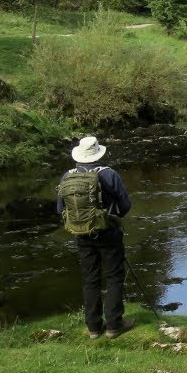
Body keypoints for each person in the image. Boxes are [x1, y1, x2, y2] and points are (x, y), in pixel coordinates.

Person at [56, 136, 135, 339]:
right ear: (99, 153)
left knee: (90, 279)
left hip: (81, 234)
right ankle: (114, 326)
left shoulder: (67, 176)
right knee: (114, 277)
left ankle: (93, 327)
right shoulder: (109, 174)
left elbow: (60, 208)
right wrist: (112, 217)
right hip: (108, 232)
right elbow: (125, 205)